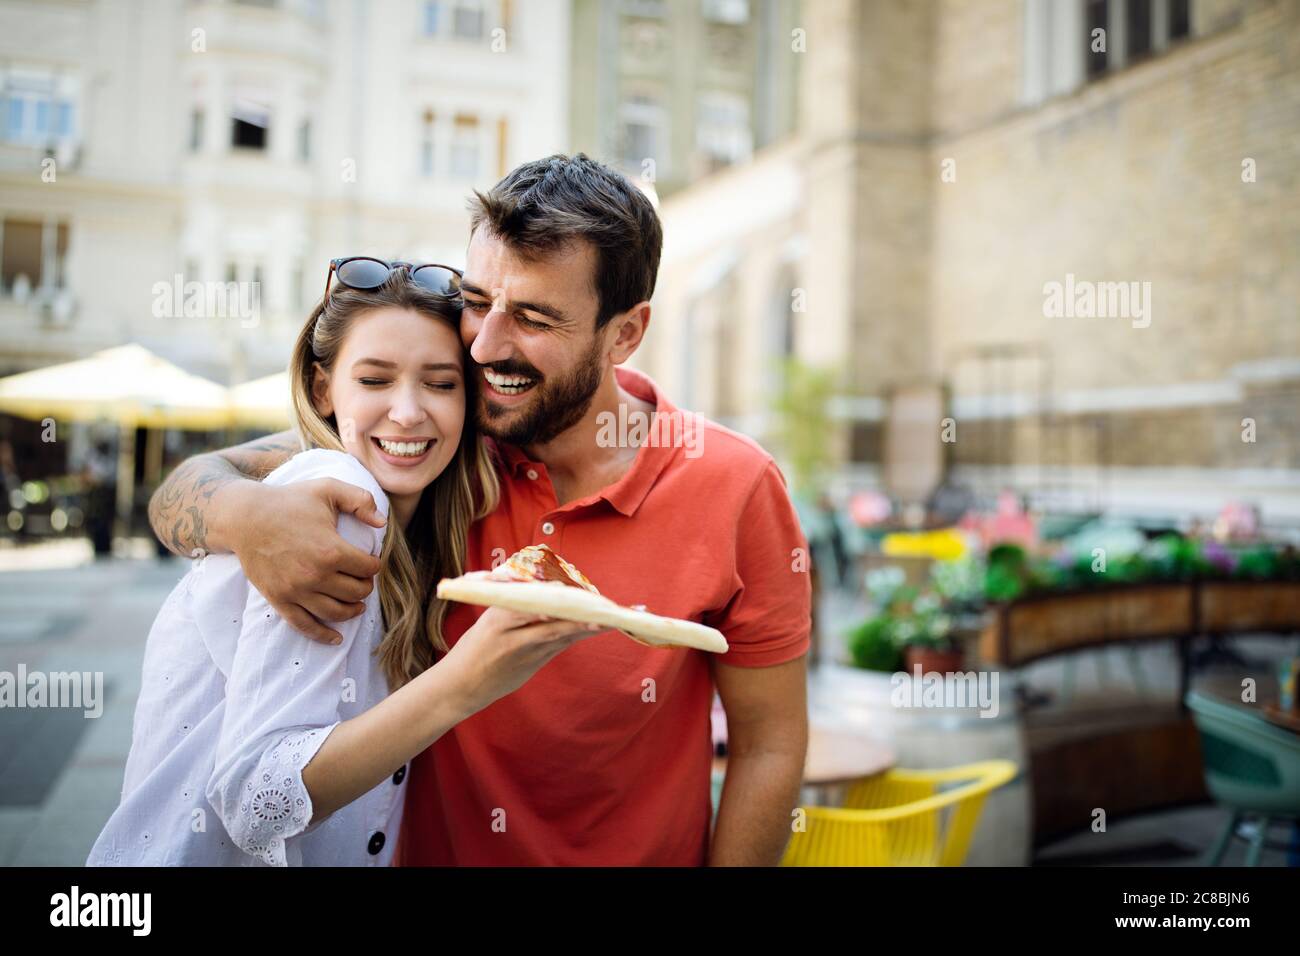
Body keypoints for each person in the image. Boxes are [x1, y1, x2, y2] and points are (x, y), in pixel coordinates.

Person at [147, 154, 812, 866]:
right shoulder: (441, 440)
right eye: (476, 300)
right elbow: (190, 485)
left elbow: (769, 744)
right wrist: (250, 518)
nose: (486, 344)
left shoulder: (737, 486)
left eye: (531, 318)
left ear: (624, 333)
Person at [89, 266, 600, 866]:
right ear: (324, 388)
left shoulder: (415, 507)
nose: (408, 412)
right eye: (375, 380)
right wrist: (467, 681)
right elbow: (256, 801)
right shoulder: (339, 494)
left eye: (440, 384)